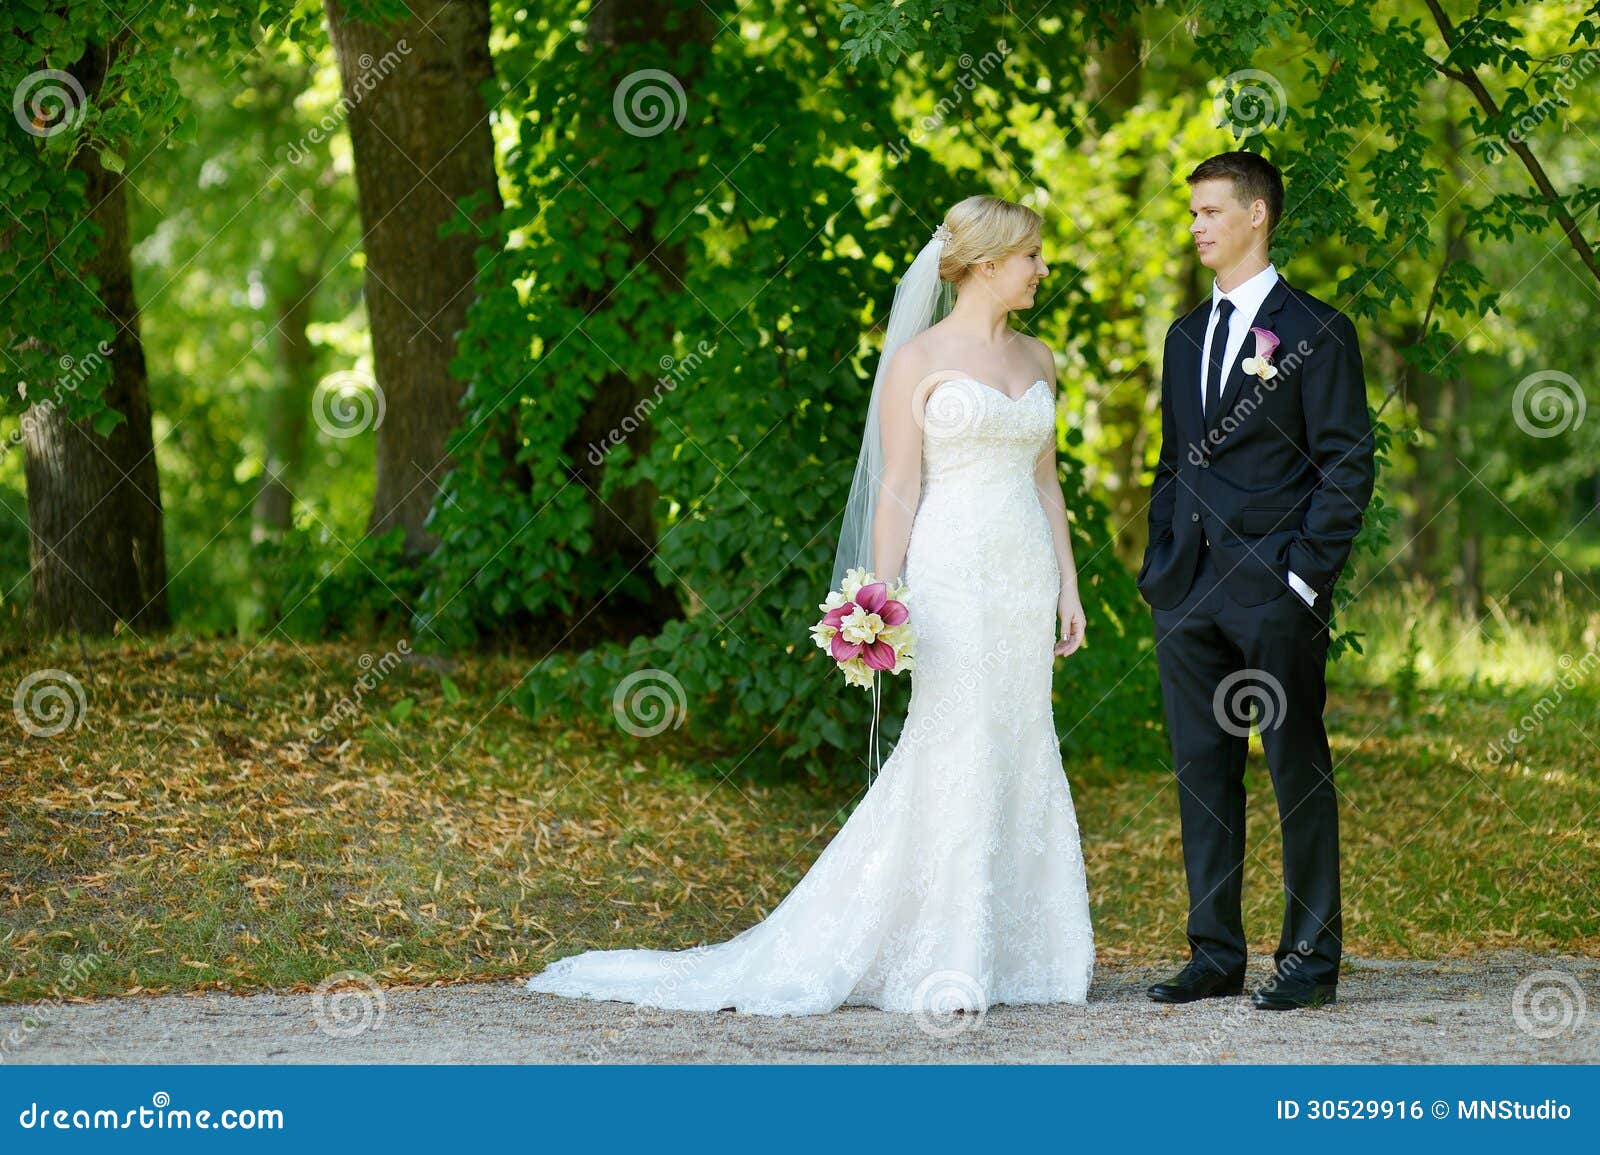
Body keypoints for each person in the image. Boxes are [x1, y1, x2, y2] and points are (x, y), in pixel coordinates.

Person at [524, 195, 1094, 1016]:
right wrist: (880, 599)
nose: (1042, 269)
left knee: (1021, 737)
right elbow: (899, 485)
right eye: (1032, 255)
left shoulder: (1040, 359)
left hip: (1023, 575)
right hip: (953, 573)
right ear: (986, 263)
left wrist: (1068, 585)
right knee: (956, 740)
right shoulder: (919, 358)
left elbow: (1046, 483)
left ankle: (1023, 954)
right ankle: (942, 948)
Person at [1138, 150, 1375, 1011]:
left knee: (1294, 771)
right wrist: (1162, 559)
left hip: (1276, 591)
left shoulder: (1317, 328)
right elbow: (1174, 461)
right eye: (1193, 212)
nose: (1195, 225)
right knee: (1203, 770)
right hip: (1188, 591)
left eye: (1209, 211)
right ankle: (1214, 952)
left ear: (1257, 216)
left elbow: (1348, 464)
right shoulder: (1183, 335)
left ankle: (1309, 962)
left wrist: (1306, 580)